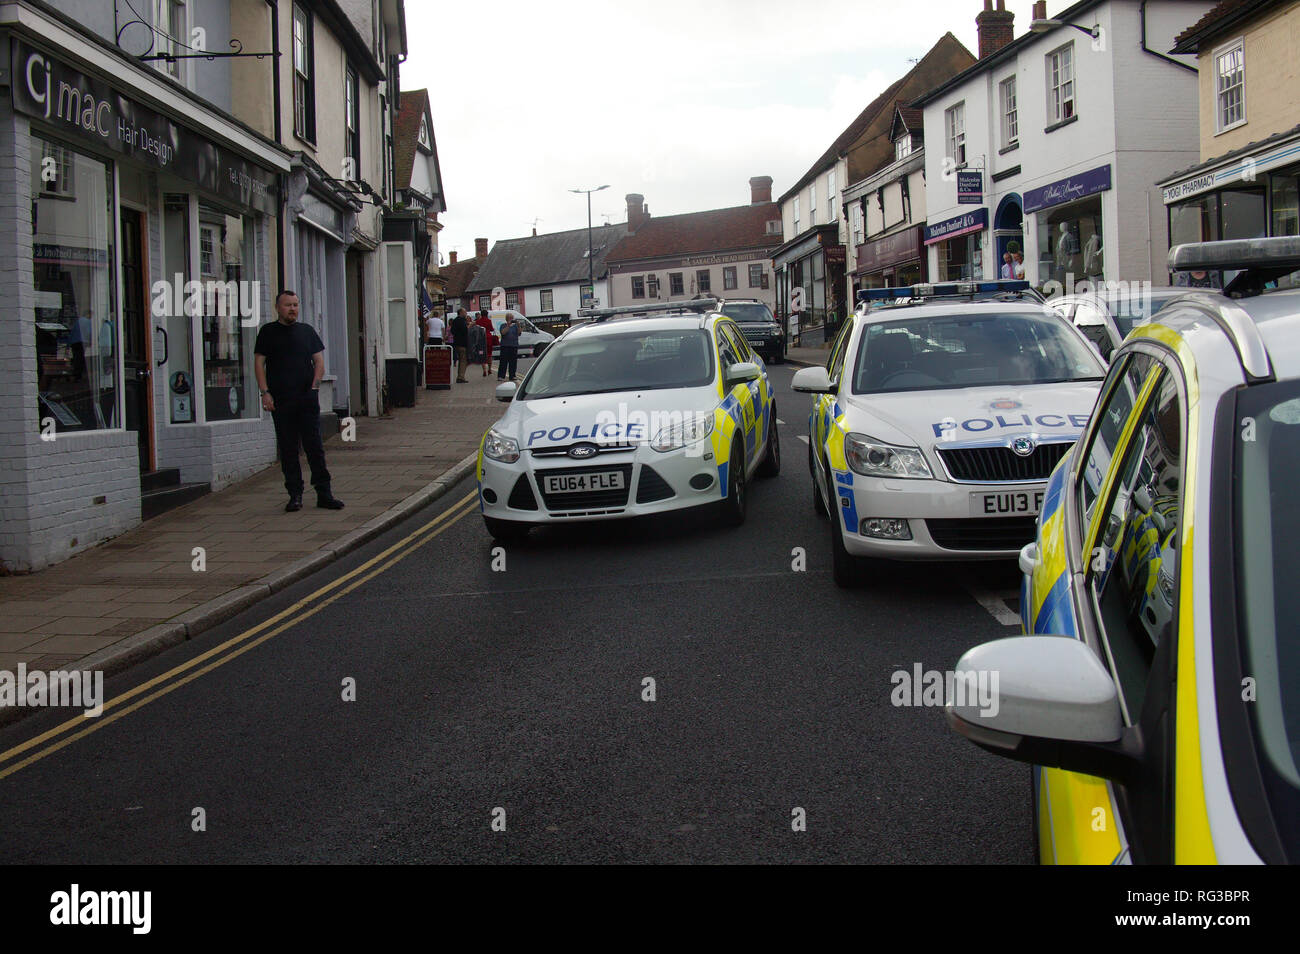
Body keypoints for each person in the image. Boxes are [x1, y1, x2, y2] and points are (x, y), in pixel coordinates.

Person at [254, 290, 345, 512]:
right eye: (288, 305)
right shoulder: (268, 332)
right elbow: (259, 364)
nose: (293, 309)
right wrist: (265, 392)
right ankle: (295, 495)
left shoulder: (307, 331)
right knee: (288, 449)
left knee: (315, 448)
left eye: (295, 304)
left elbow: (319, 362)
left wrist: (314, 387)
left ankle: (324, 494)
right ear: (278, 308)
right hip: (281, 400)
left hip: (306, 399)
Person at [498, 312, 521, 382]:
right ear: (507, 319)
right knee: (503, 361)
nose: (511, 319)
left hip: (514, 346)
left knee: (513, 362)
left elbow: (519, 333)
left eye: (512, 318)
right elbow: (503, 332)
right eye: (510, 318)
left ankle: (512, 375)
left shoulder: (515, 326)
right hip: (505, 346)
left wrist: (519, 325)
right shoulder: (503, 325)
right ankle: (501, 376)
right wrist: (508, 325)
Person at [450, 307, 470, 382]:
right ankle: (461, 377)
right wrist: (470, 326)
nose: (466, 313)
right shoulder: (462, 321)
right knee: (463, 360)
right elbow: (465, 331)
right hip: (462, 344)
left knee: (461, 360)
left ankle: (460, 376)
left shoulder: (455, 320)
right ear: (461, 313)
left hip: (457, 343)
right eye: (465, 312)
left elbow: (452, 331)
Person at [475, 309, 497, 376]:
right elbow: (491, 329)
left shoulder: (478, 321)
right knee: (489, 355)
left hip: (481, 340)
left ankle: (484, 370)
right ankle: (489, 369)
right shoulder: (489, 321)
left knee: (482, 354)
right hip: (488, 340)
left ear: (481, 314)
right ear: (487, 314)